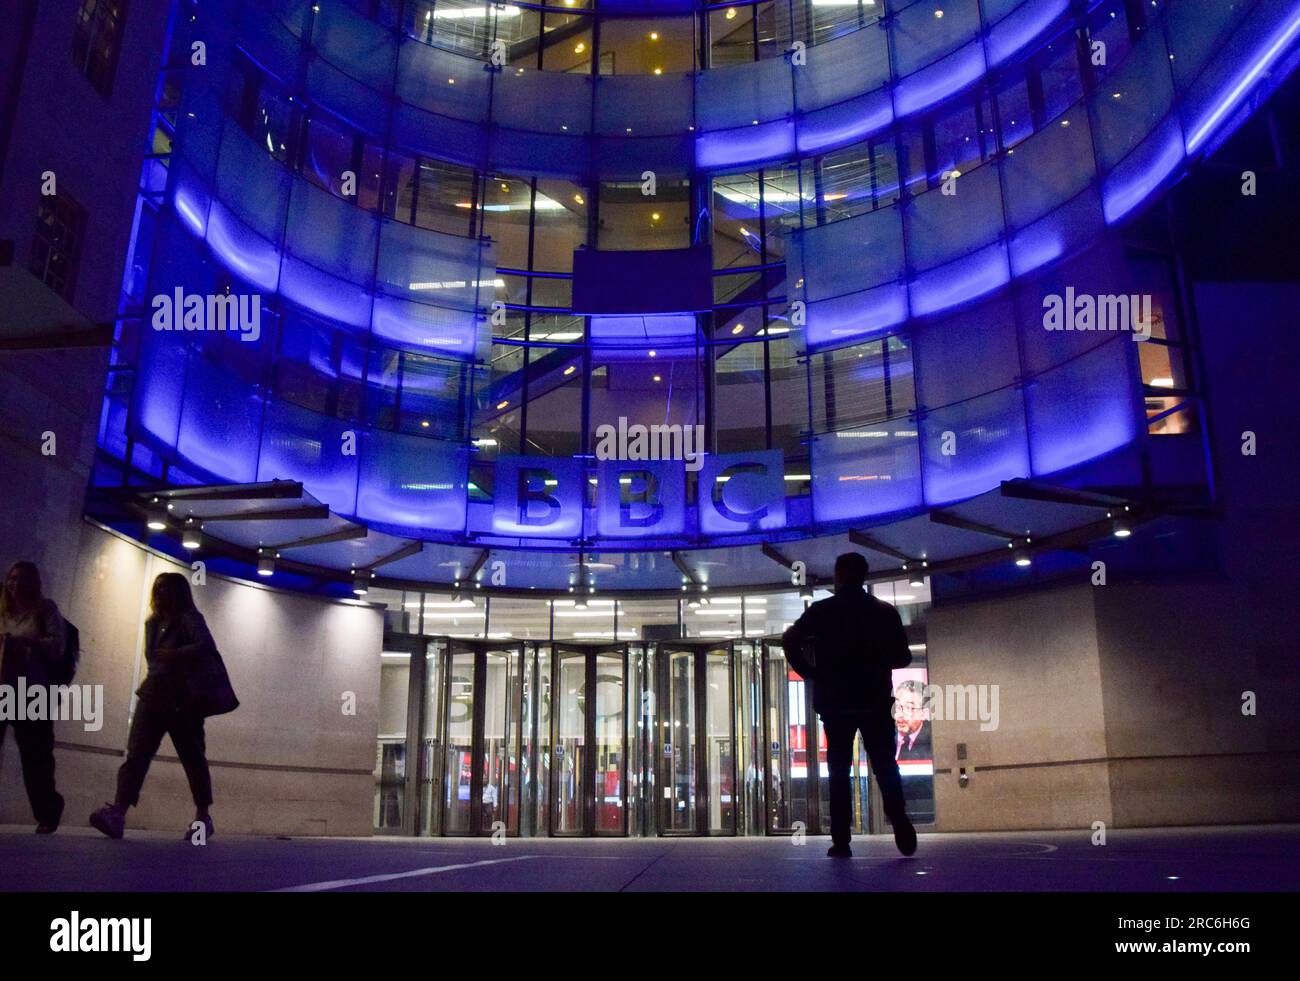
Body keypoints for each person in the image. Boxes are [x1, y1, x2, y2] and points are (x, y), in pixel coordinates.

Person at [782, 553, 918, 858]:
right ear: (864, 576)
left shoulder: (822, 611)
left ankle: (841, 840)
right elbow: (903, 657)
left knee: (839, 771)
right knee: (885, 765)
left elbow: (790, 639)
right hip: (874, 700)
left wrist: (810, 673)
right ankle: (898, 818)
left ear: (838, 575)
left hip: (837, 702)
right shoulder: (884, 612)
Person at [90, 573, 217, 841]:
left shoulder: (189, 619)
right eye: (157, 588)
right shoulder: (153, 623)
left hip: (183, 699)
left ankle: (203, 817)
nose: (159, 593)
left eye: (165, 589)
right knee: (136, 754)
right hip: (154, 693)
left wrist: (175, 655)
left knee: (192, 758)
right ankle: (119, 812)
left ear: (178, 593)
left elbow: (205, 646)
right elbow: (153, 661)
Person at [0, 561, 67, 833]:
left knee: (35, 756)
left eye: (24, 579)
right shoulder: (2, 610)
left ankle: (48, 812)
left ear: (35, 584)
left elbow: (57, 646)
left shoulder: (45, 609)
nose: (16, 584)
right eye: (13, 578)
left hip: (31, 692)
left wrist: (27, 643)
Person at [894, 680, 933, 762]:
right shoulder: (883, 734)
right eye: (898, 707)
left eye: (909, 708)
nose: (900, 715)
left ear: (924, 713)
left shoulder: (933, 737)